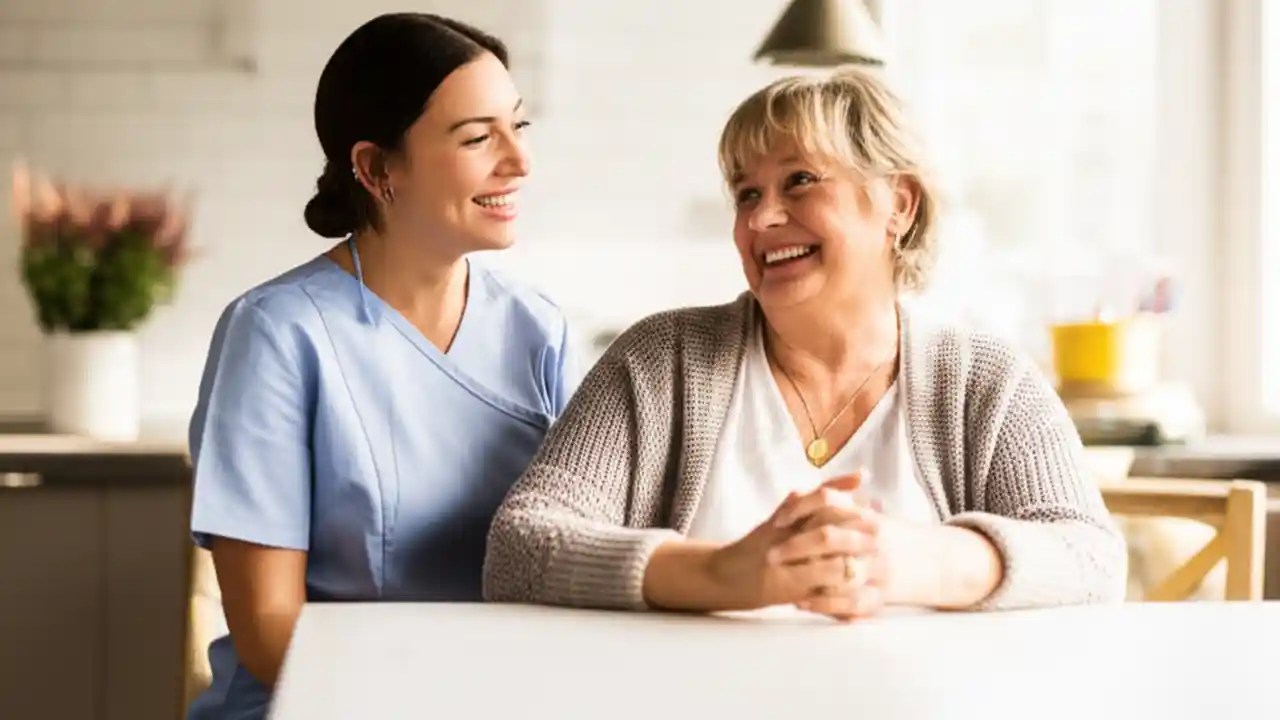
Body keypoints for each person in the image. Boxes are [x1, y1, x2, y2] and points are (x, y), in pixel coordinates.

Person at [484, 68, 1126, 620]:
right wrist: (725, 574)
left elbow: (1092, 560)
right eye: (746, 194)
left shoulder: (985, 381)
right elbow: (518, 550)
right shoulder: (662, 359)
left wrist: (910, 561)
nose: (762, 219)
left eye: (799, 181)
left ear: (897, 204)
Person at [186, 13, 577, 719]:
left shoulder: (537, 328)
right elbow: (270, 633)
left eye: (519, 127)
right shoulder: (277, 335)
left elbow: (579, 552)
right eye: (477, 136)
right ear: (375, 168)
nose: (518, 161)